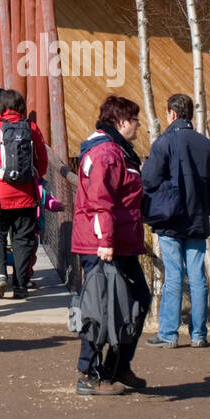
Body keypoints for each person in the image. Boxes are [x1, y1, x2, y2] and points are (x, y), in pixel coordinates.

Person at [71, 95, 150, 395]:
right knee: (101, 307)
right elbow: (99, 201)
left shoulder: (118, 151)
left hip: (119, 242)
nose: (139, 126)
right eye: (135, 120)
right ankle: (89, 372)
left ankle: (116, 367)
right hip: (104, 244)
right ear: (120, 121)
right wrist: (105, 241)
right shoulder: (107, 153)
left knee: (135, 302)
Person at [141, 93, 210, 349]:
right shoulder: (207, 145)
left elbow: (148, 180)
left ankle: (169, 333)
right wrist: (206, 207)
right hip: (197, 218)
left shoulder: (163, 143)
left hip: (170, 220)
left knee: (174, 275)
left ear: (172, 114)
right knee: (198, 276)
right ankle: (199, 334)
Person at [0, 88, 48, 301]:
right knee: (23, 239)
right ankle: (20, 284)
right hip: (25, 195)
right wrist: (32, 176)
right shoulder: (32, 128)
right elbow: (41, 161)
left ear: (2, 107)